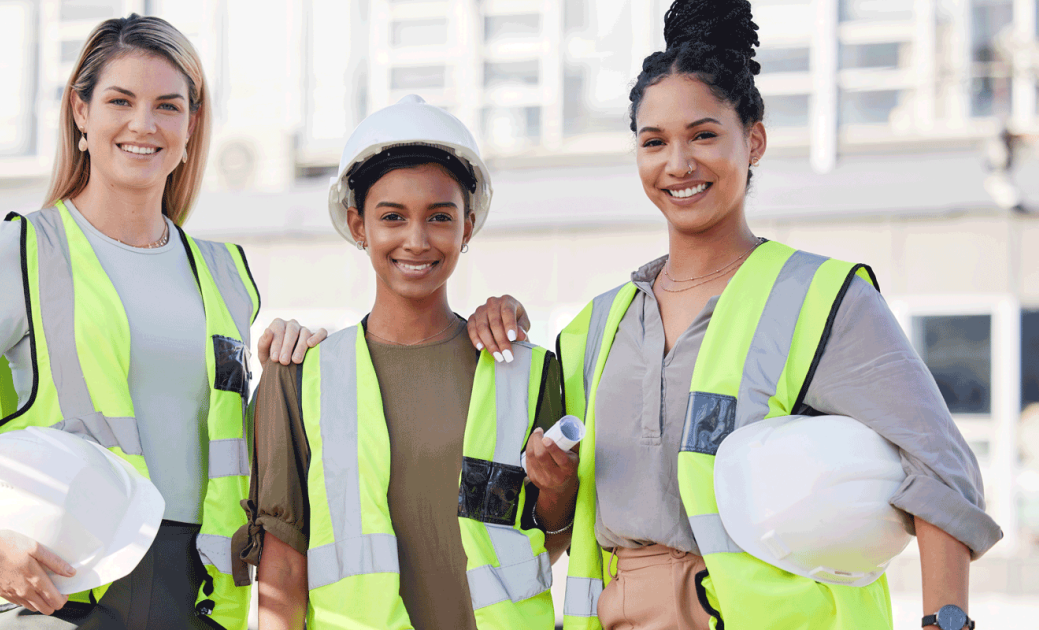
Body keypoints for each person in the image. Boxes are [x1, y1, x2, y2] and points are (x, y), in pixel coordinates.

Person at [468, 1, 1003, 629]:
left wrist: (946, 622)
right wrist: (554, 485)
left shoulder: (821, 299)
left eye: (703, 135)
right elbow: (566, 524)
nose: (678, 164)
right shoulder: (595, 327)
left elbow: (940, 467)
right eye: (654, 141)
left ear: (753, 139)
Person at [0, 14, 323, 629]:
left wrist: (297, 364)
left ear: (191, 126)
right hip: (59, 594)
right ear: (80, 112)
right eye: (120, 100)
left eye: (167, 106)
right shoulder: (22, 252)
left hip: (198, 597)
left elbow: (241, 447)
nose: (144, 124)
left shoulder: (229, 274)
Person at [235, 95, 579, 630]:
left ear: (467, 227)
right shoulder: (301, 376)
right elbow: (281, 567)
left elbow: (547, 544)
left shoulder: (524, 371)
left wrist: (556, 490)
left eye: (439, 217)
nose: (416, 241)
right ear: (357, 225)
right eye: (392, 216)